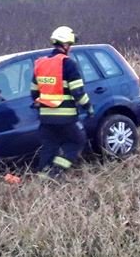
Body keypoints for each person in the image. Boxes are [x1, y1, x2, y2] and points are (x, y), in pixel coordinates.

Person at [30, 26, 94, 179]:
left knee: (49, 147)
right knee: (77, 141)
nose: (70, 48)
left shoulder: (40, 64)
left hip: (45, 118)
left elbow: (34, 93)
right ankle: (57, 170)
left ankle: (43, 178)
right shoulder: (68, 64)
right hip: (66, 117)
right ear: (65, 45)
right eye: (70, 45)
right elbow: (78, 92)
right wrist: (88, 107)